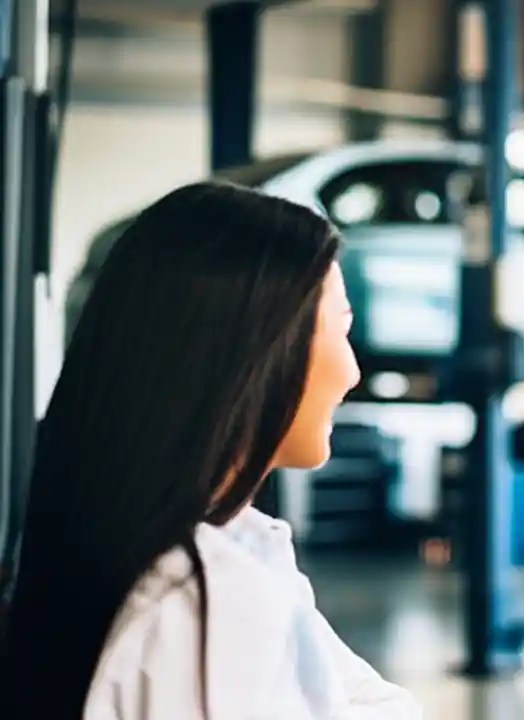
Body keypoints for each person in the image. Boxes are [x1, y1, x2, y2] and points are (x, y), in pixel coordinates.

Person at [1, 182, 421, 719]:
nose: (352, 372)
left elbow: (374, 704)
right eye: (341, 330)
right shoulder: (210, 597)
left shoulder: (219, 549)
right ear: (260, 355)